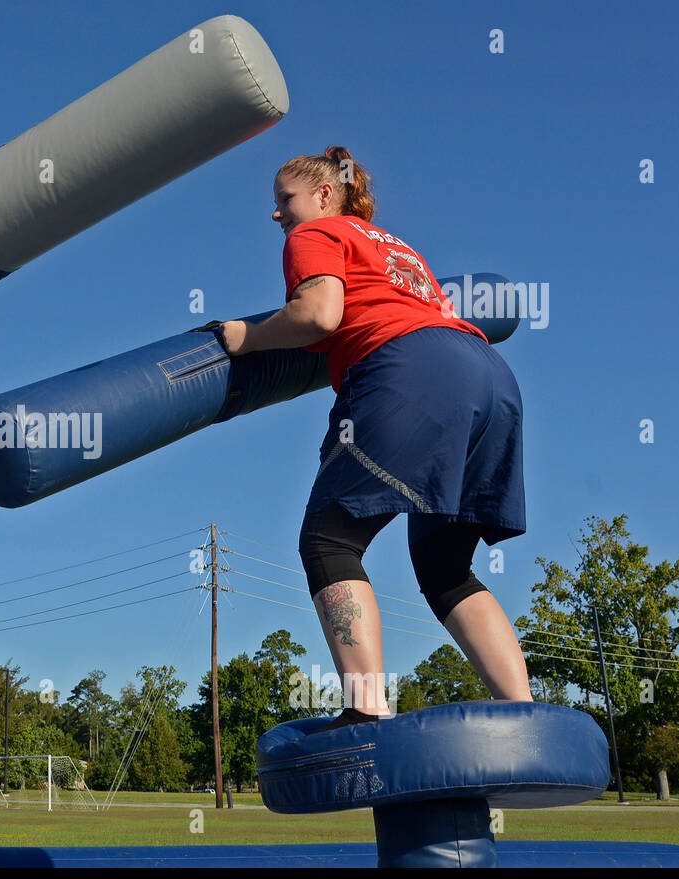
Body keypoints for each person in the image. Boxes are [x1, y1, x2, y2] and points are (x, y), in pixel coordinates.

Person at [216, 146, 533, 732]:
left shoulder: (318, 233)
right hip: (488, 376)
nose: (277, 214)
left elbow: (318, 314)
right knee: (446, 567)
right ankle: (524, 714)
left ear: (323, 196)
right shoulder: (394, 246)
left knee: (330, 540)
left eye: (284, 199)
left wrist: (246, 336)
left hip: (410, 371)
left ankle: (367, 710)